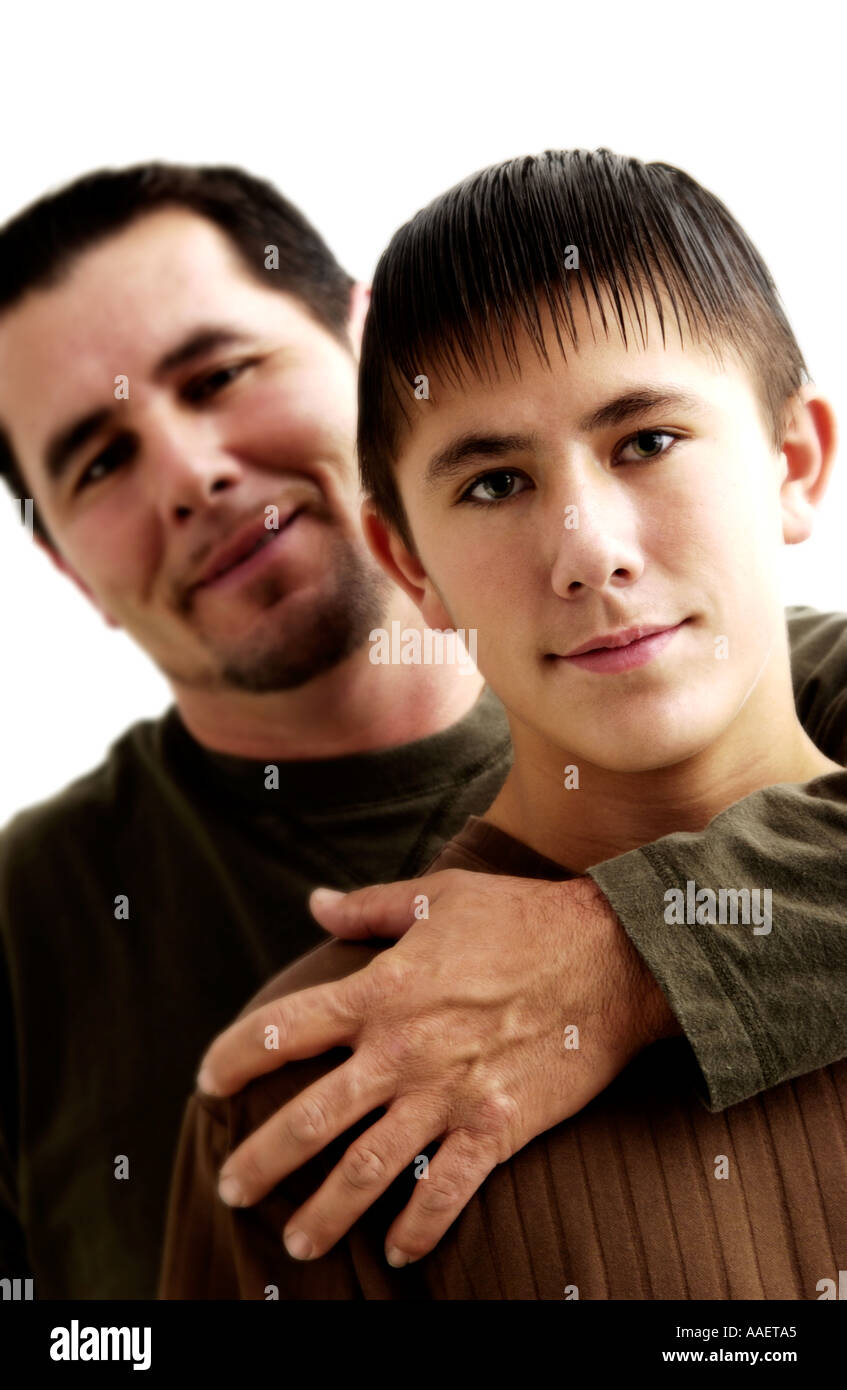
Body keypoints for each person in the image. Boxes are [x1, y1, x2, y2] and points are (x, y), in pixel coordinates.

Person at [0, 161, 844, 1301]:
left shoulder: (782, 674)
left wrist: (621, 950)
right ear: (66, 568)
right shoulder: (41, 930)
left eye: (220, 373)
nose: (190, 475)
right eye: (100, 462)